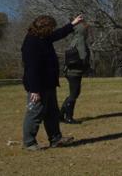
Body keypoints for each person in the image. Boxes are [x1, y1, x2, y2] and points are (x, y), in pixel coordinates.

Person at [21, 14, 83, 150]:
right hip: (37, 86)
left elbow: (58, 34)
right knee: (35, 114)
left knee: (52, 114)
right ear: (45, 27)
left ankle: (56, 139)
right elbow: (32, 69)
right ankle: (29, 142)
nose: (52, 30)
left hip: (48, 83)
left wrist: (73, 24)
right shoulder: (31, 42)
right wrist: (34, 90)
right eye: (51, 27)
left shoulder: (44, 38)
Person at [60, 21, 91, 124]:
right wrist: (87, 66)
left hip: (70, 71)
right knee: (74, 93)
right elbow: (83, 56)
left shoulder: (75, 39)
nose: (88, 31)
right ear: (83, 30)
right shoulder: (81, 40)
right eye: (86, 29)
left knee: (73, 93)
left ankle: (61, 114)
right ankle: (68, 117)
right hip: (74, 72)